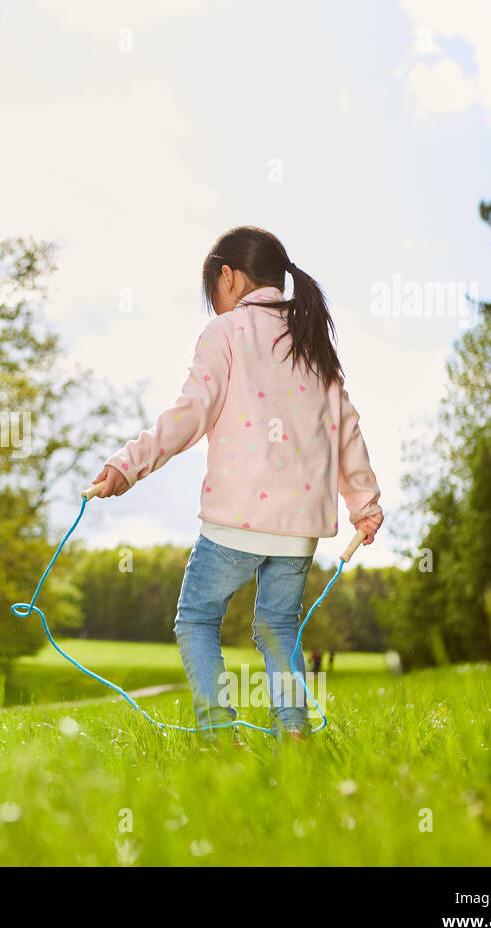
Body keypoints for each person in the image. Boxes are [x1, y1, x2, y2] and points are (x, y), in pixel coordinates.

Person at [92, 226, 383, 742]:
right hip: (299, 529)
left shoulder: (225, 334)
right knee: (278, 630)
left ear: (229, 277)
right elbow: (346, 426)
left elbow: (190, 413)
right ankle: (292, 731)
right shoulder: (312, 338)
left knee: (196, 619)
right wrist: (364, 502)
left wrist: (127, 466)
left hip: (236, 520)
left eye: (215, 294)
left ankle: (217, 731)